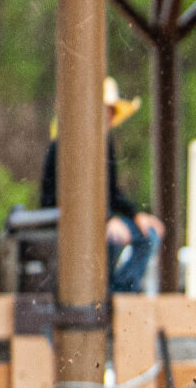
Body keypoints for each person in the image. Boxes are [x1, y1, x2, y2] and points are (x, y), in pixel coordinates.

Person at [39, 77, 164, 293]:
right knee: (110, 238)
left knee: (148, 236)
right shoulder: (64, 145)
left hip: (98, 222)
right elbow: (69, 197)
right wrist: (106, 220)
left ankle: (120, 291)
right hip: (66, 225)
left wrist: (135, 215)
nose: (109, 116)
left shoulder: (105, 145)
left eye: (111, 110)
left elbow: (112, 192)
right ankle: (102, 294)